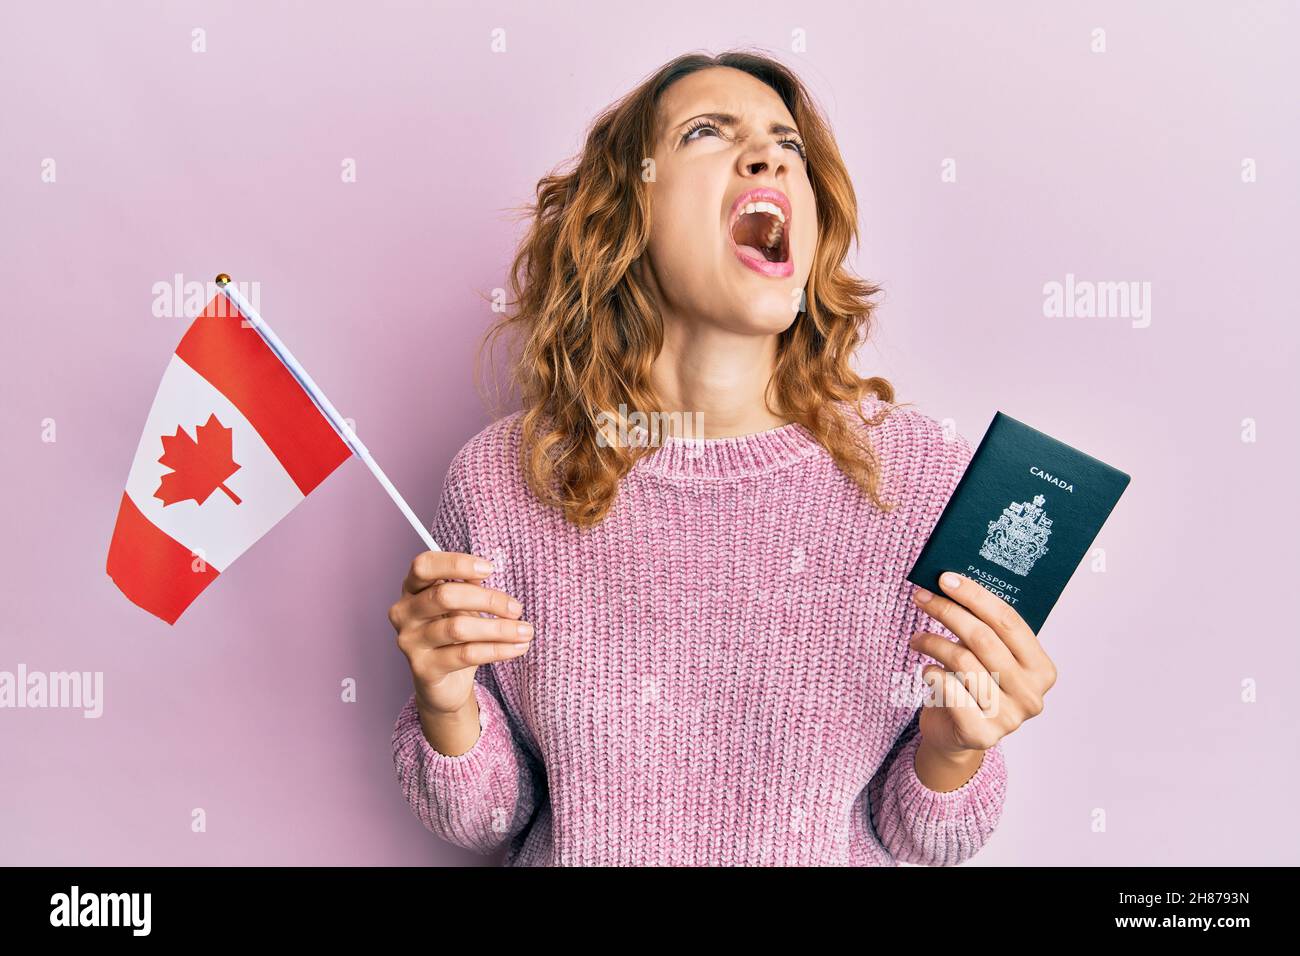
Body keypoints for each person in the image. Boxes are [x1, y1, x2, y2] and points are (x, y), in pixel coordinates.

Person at [387, 49, 1057, 866]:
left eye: (790, 146)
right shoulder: (505, 478)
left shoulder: (921, 478)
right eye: (706, 132)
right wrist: (445, 701)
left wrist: (956, 748)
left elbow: (923, 839)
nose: (770, 154)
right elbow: (486, 821)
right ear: (622, 212)